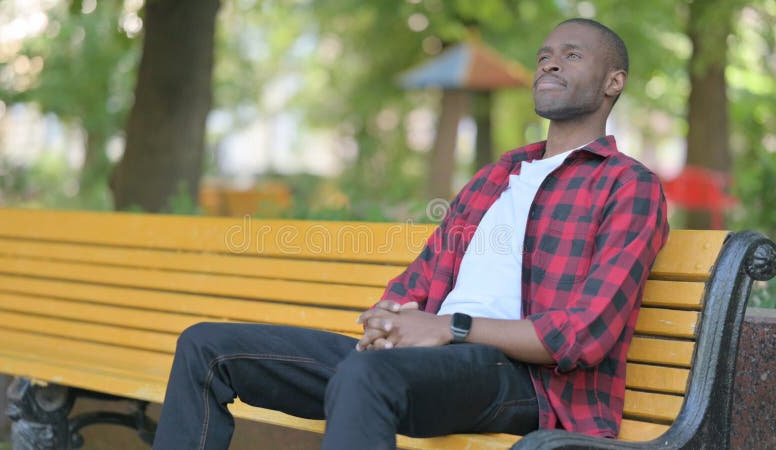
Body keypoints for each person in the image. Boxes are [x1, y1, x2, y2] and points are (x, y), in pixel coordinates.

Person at [152, 18, 669, 450]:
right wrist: (390, 318)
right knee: (205, 348)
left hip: (526, 382)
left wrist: (452, 327)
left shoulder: (628, 186)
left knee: (365, 378)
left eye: (572, 55)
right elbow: (422, 275)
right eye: (544, 55)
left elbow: (583, 334)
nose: (549, 63)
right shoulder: (499, 175)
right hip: (425, 360)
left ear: (613, 82)